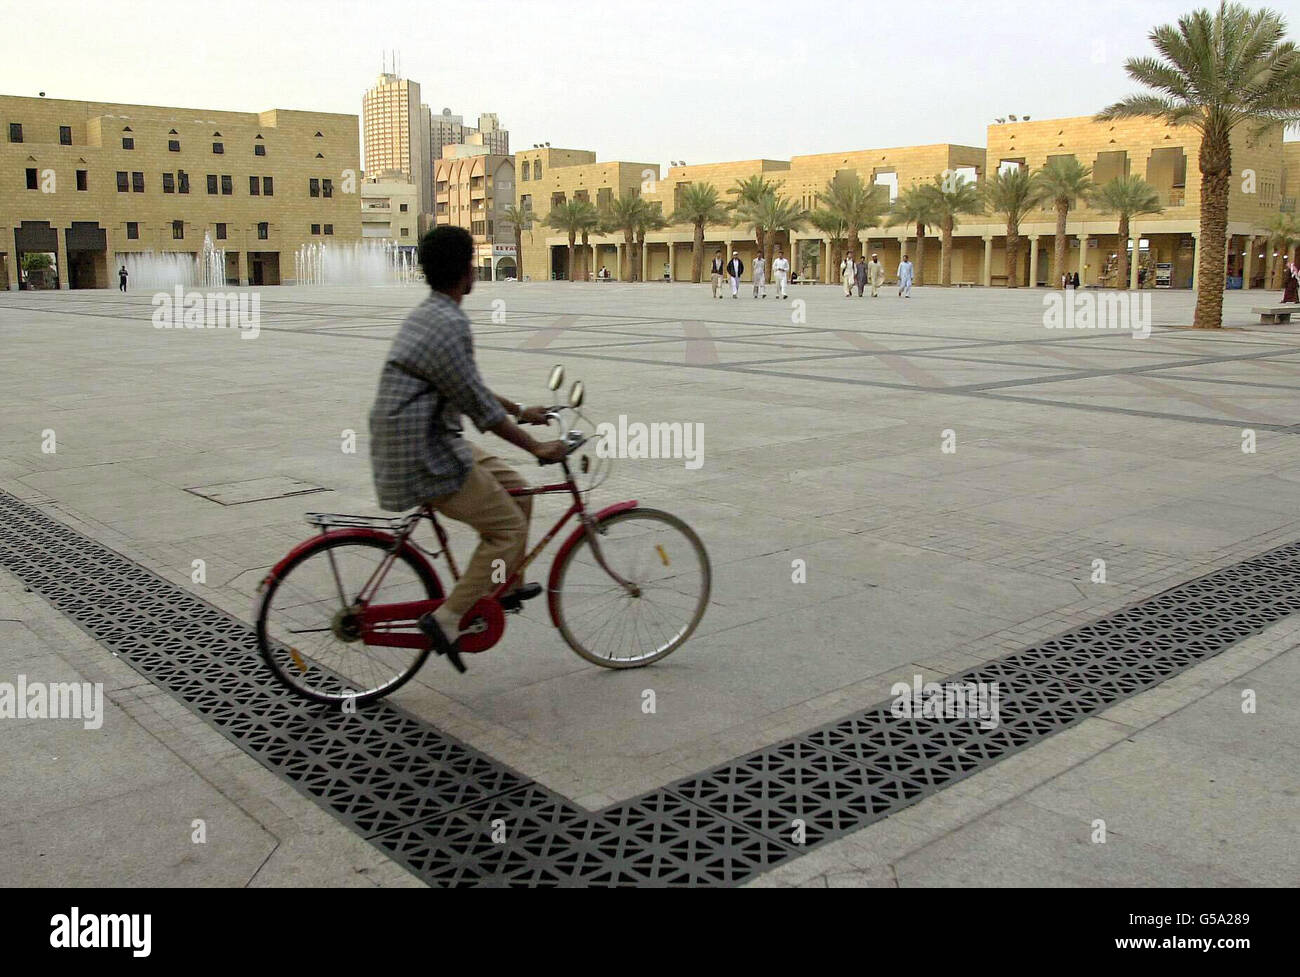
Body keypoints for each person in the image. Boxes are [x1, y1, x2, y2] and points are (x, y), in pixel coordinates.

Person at [368, 226, 568, 672]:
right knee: (507, 531)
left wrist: (520, 410)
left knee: (518, 491)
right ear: (467, 271)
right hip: (421, 453)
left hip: (426, 439)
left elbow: (468, 387)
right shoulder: (448, 323)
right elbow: (482, 414)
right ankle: (448, 617)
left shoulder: (432, 313)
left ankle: (506, 584)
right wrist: (538, 447)